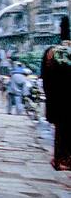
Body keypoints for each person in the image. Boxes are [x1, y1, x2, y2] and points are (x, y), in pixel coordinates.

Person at [42, 16, 71, 170]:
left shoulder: (51, 52)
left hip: (59, 101)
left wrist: (50, 99)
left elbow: (45, 80)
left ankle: (60, 160)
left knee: (60, 130)